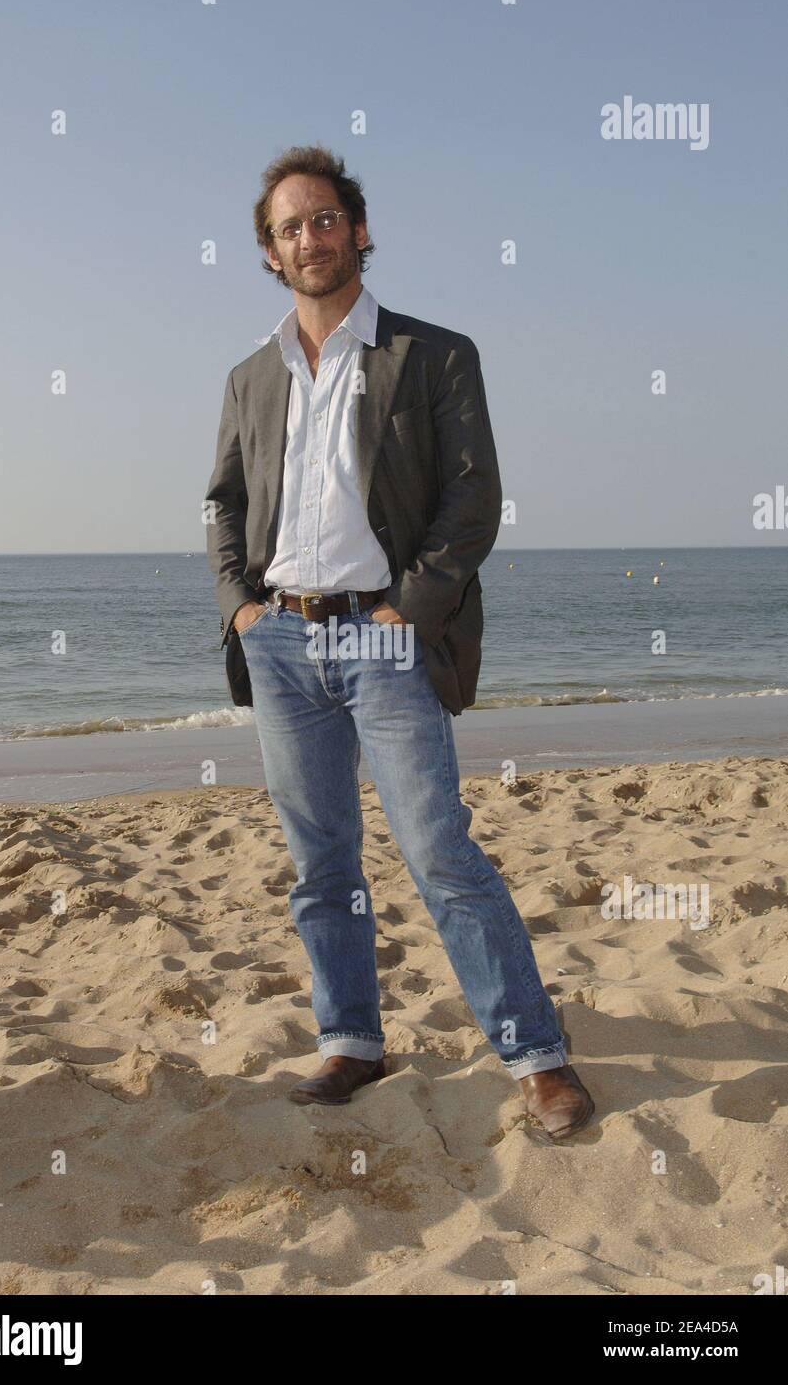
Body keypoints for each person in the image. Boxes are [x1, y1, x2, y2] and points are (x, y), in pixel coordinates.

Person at [204, 145, 595, 1142]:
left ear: (358, 230)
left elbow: (471, 498)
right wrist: (241, 610)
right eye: (289, 226)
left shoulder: (431, 355)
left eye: (324, 218)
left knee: (436, 848)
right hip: (281, 642)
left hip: (387, 635)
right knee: (319, 861)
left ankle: (535, 1055)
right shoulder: (251, 377)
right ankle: (351, 1041)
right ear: (268, 250)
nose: (309, 236)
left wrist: (402, 611)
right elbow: (225, 504)